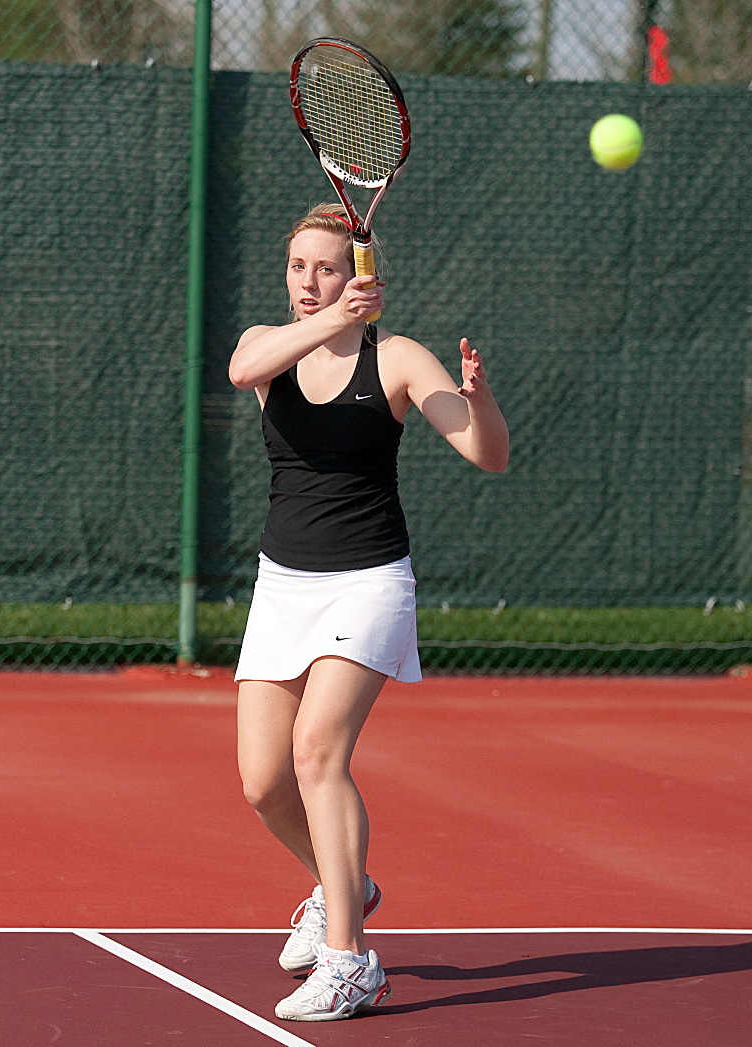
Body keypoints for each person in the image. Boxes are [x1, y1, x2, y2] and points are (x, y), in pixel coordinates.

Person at [228, 202, 509, 1022]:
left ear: (358, 274)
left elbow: (486, 456)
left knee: (317, 754)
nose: (309, 283)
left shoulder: (399, 359)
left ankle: (351, 960)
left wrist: (480, 401)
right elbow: (246, 372)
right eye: (298, 269)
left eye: (326, 268)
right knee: (261, 781)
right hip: (283, 585)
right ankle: (340, 885)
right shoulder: (265, 347)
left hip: (369, 582)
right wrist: (325, 323)